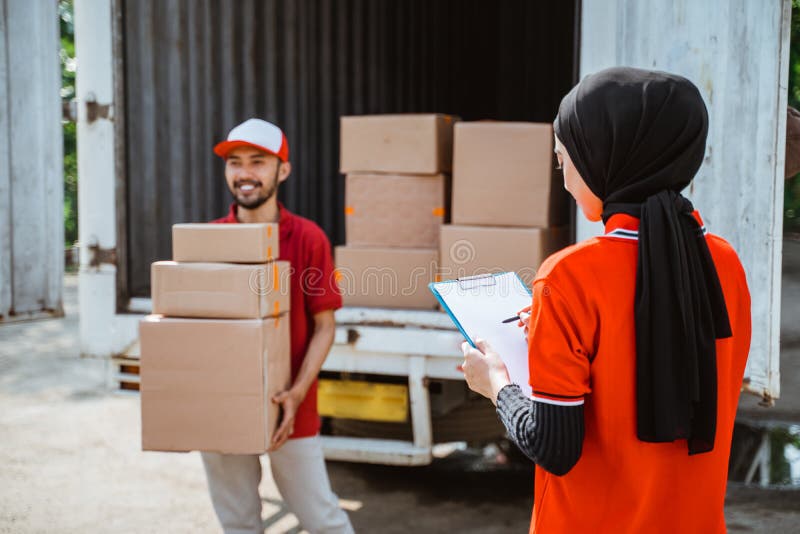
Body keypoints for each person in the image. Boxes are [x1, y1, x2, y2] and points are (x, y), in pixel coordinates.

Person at [460, 67, 751, 532]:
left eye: (564, 160)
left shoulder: (569, 277)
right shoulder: (725, 264)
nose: (565, 180)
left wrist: (496, 385)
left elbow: (554, 448)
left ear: (606, 158)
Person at [201, 118, 354, 534]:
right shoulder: (208, 241)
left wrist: (297, 392)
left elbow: (324, 325)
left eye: (258, 161)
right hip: (224, 404)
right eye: (235, 162)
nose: (244, 173)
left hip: (292, 402)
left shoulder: (308, 238)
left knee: (323, 520)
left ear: (282, 170)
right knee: (239, 525)